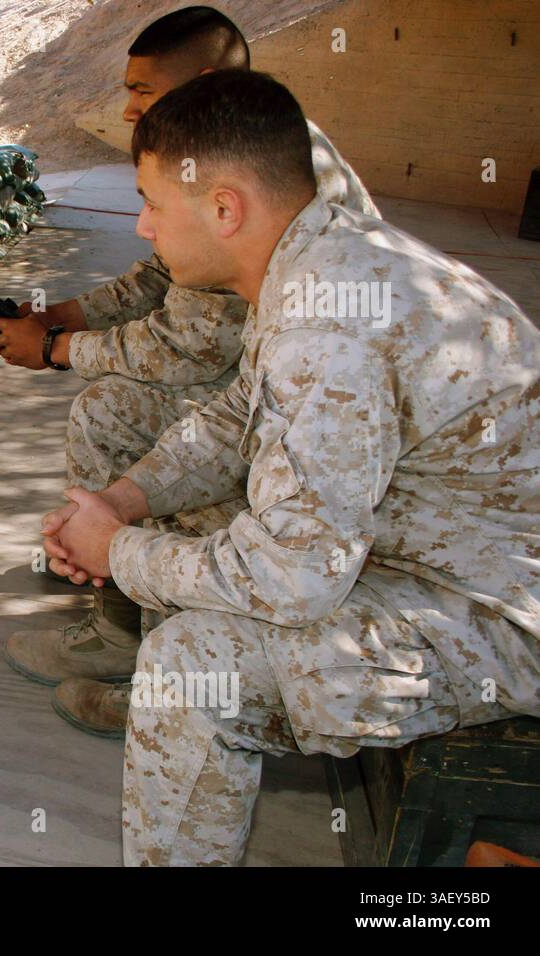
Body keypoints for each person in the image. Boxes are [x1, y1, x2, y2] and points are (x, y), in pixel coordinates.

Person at [41, 69, 539, 864]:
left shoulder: (328, 327)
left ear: (225, 208)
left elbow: (293, 580)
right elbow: (240, 415)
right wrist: (125, 501)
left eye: (153, 204)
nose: (141, 226)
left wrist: (117, 553)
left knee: (188, 670)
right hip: (431, 558)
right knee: (185, 539)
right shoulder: (318, 255)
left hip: (499, 619)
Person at [0, 7, 378, 734]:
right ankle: (126, 628)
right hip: (335, 500)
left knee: (118, 415)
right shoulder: (247, 179)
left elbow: (185, 349)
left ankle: (156, 659)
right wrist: (66, 317)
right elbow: (168, 286)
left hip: (427, 600)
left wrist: (124, 546)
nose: (128, 106)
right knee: (145, 439)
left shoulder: (318, 311)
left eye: (143, 88)